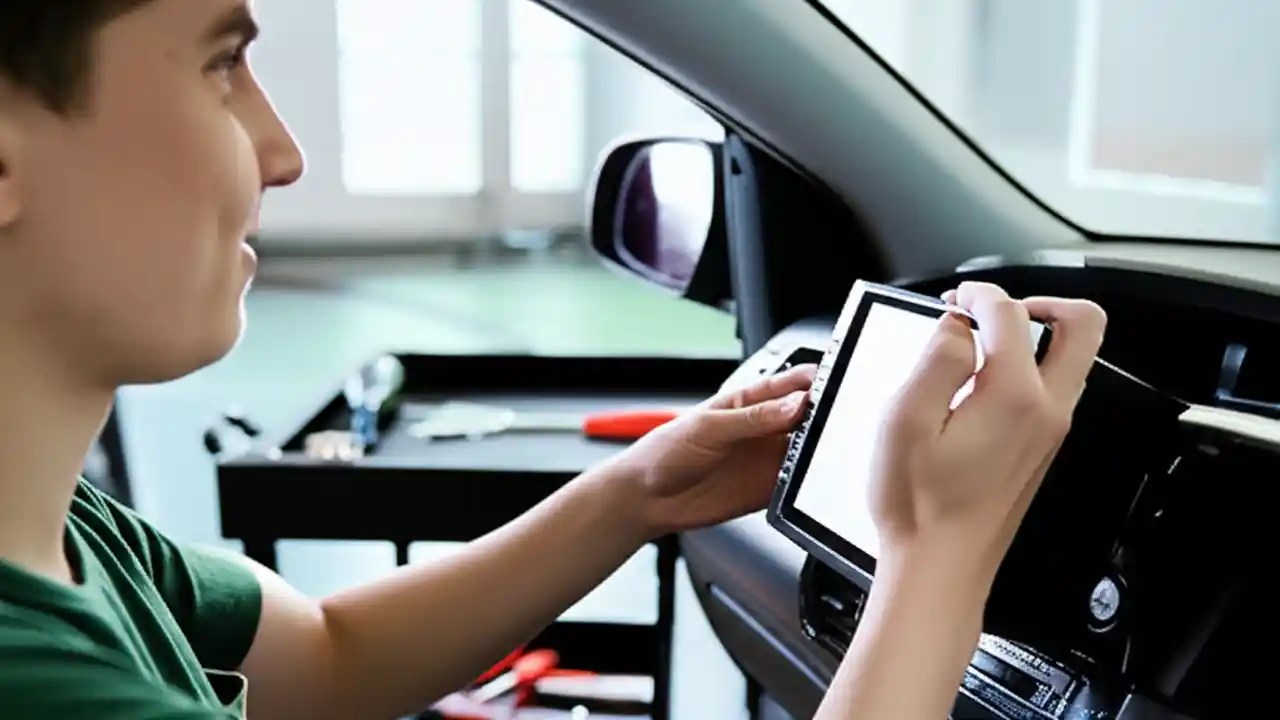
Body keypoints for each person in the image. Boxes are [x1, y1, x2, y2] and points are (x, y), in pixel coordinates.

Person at [0, 1, 1106, 718]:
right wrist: (939, 559)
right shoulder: (46, 684)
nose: (281, 152)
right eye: (219, 65)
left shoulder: (68, 541)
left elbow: (331, 656)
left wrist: (634, 493)